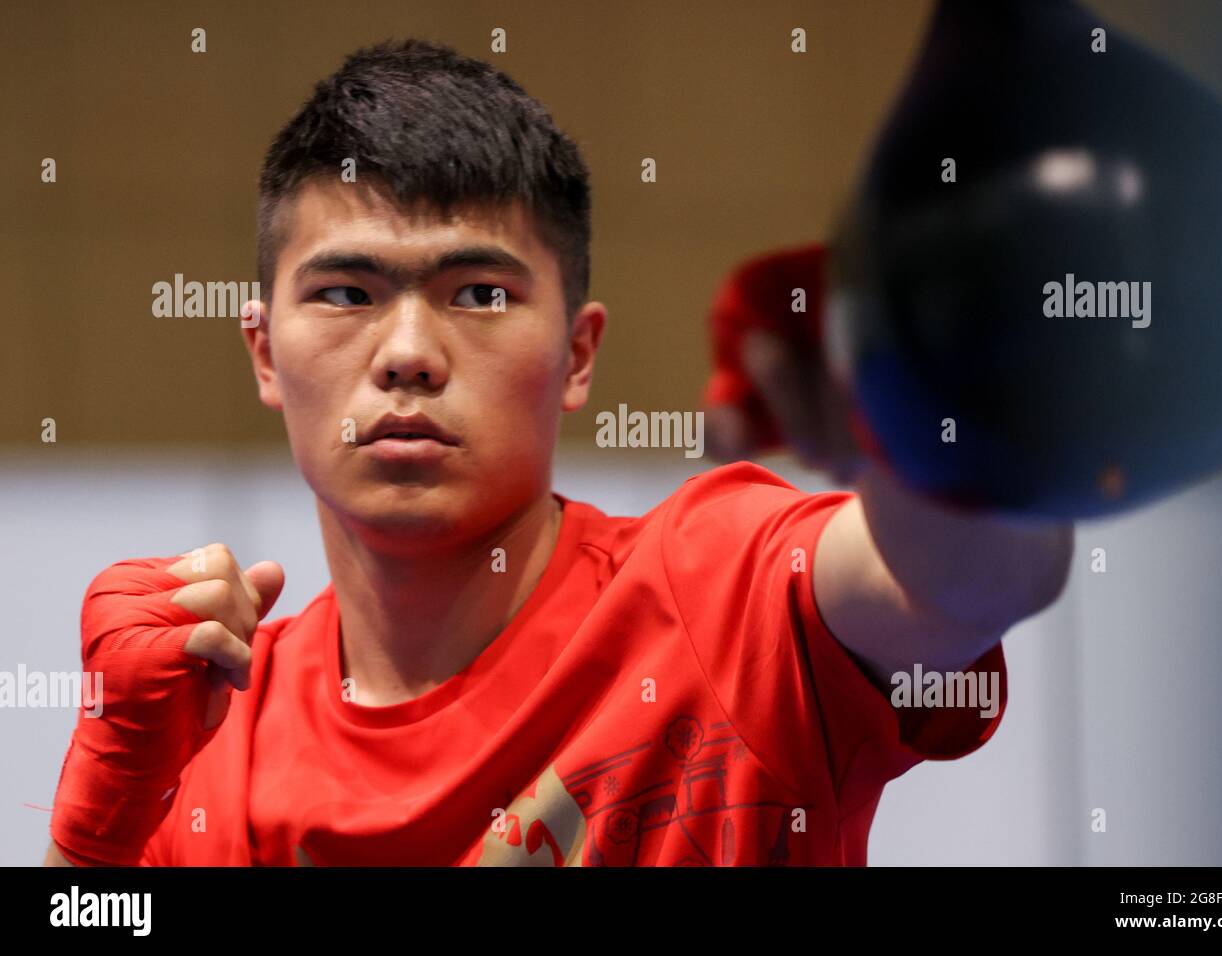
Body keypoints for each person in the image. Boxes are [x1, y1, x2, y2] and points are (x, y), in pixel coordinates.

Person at [45, 39, 1072, 867]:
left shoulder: (715, 589)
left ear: (578, 355)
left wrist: (932, 416)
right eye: (346, 293)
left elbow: (973, 577)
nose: (407, 353)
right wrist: (90, 841)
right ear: (264, 354)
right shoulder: (215, 725)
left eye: (479, 293)